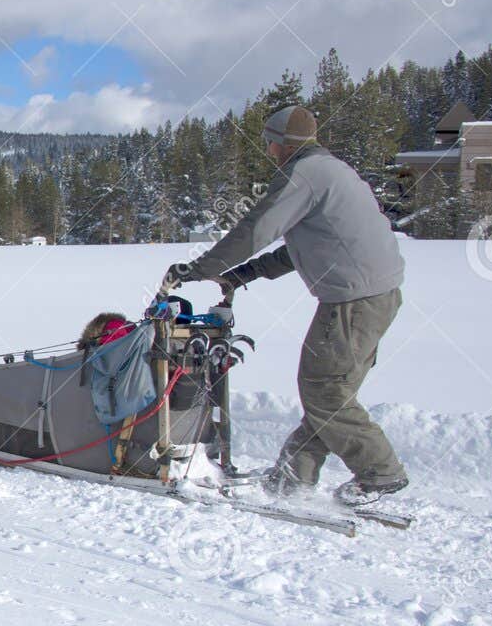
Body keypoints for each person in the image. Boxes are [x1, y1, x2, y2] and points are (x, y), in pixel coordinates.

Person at [163, 105, 408, 506]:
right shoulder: (330, 170)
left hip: (352, 302)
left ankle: (380, 473)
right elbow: (306, 249)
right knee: (328, 391)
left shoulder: (303, 175)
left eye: (269, 143)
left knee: (324, 391)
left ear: (279, 143)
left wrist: (199, 269)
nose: (269, 151)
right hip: (376, 296)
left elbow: (255, 229)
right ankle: (293, 478)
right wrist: (244, 274)